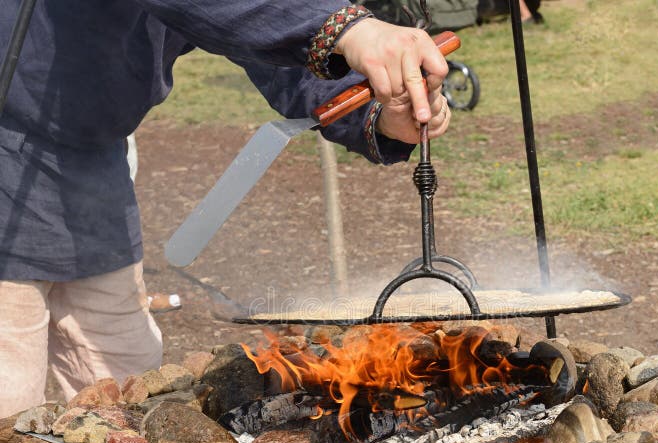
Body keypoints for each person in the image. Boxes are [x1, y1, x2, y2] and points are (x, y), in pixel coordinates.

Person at [0, 2, 452, 419]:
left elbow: (271, 43)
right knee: (9, 398)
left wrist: (376, 109)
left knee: (126, 390)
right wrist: (347, 28)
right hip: (6, 145)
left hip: (94, 171)